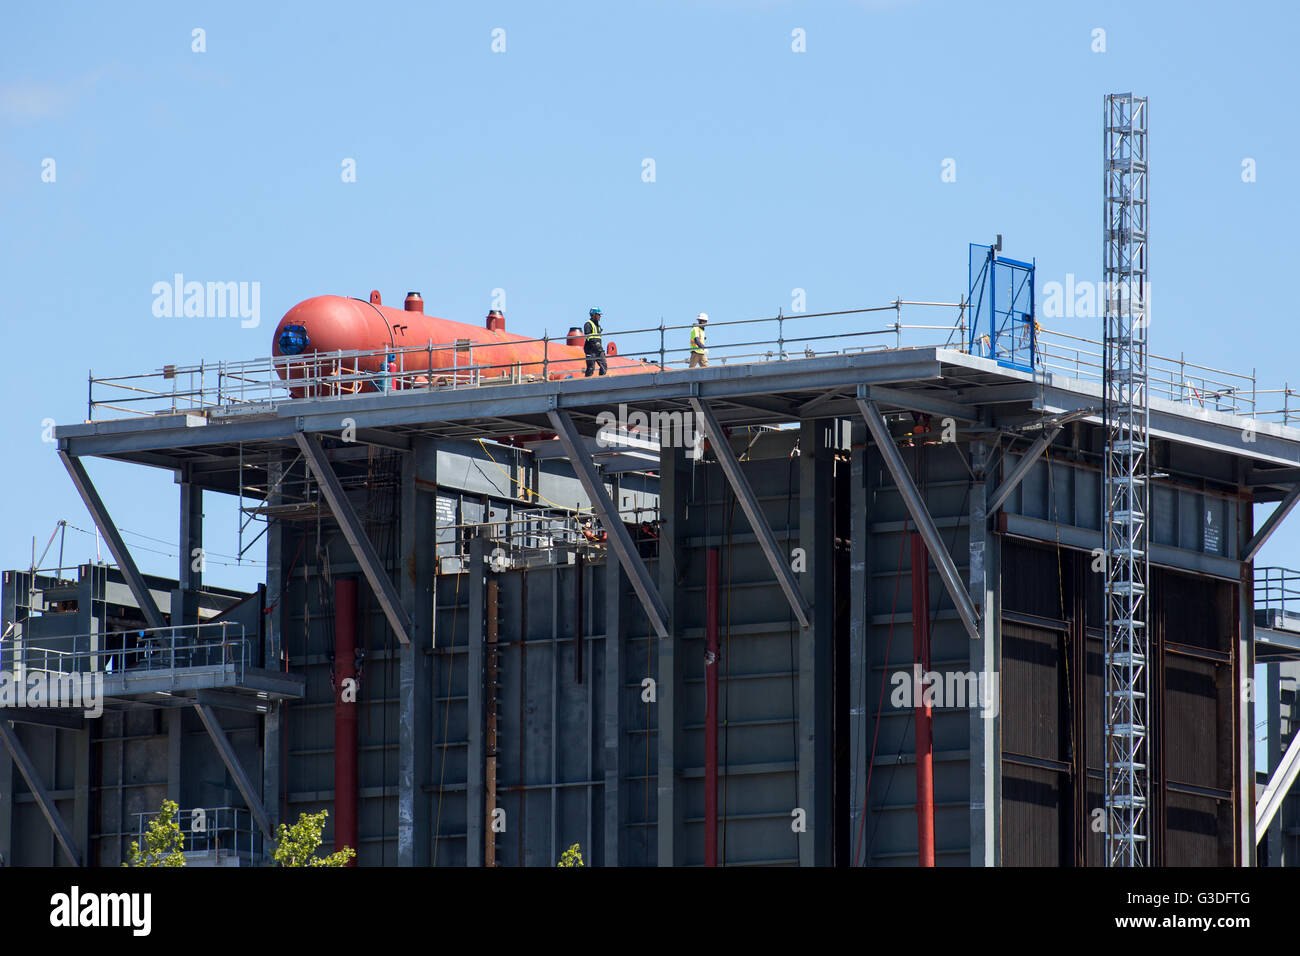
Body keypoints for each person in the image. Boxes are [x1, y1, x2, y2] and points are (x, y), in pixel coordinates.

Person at [583, 308, 607, 377]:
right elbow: (588, 336)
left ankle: (601, 380)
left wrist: (600, 348)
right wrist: (595, 343)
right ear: (593, 315)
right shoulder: (588, 324)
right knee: (591, 368)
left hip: (599, 350)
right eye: (598, 315)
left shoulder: (598, 326)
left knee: (604, 366)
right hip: (590, 350)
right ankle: (587, 383)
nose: (600, 316)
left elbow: (598, 338)